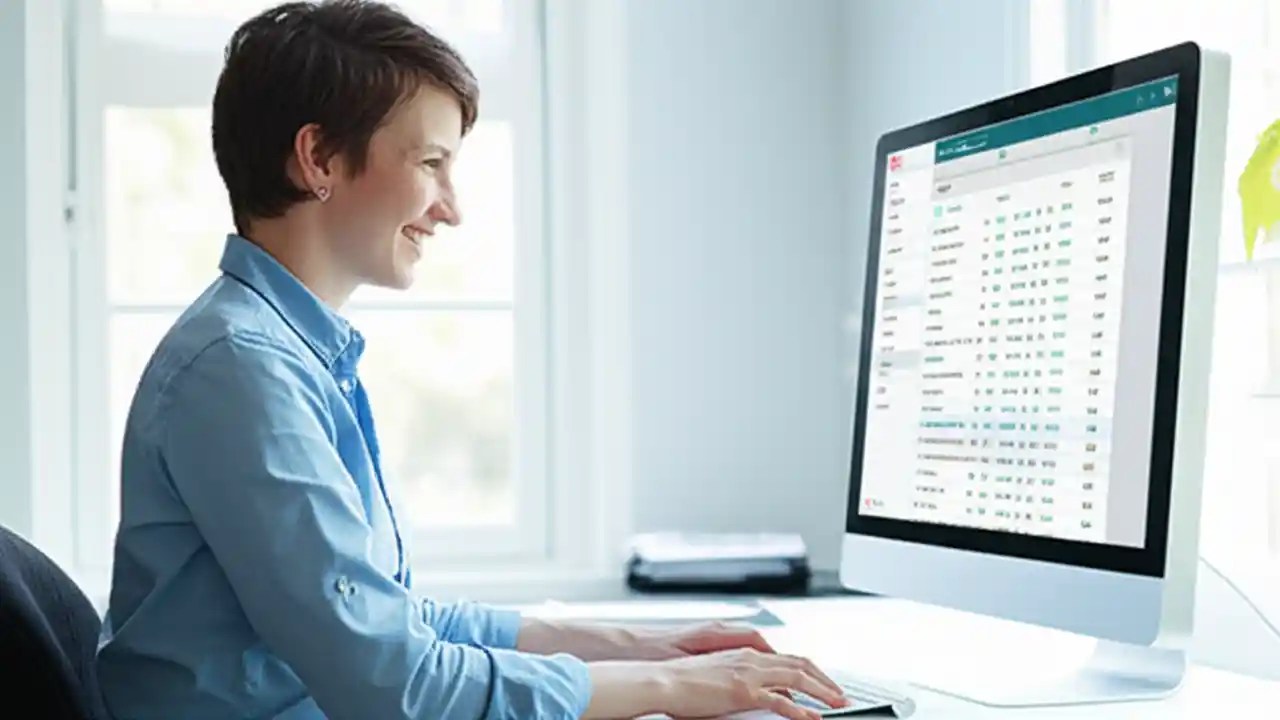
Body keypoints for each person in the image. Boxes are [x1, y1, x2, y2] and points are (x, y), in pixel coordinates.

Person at [93, 2, 850, 718]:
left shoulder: (282, 353)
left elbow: (393, 623)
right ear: (318, 157)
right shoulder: (242, 369)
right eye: (431, 163)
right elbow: (397, 684)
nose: (451, 206)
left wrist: (645, 648)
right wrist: (665, 686)